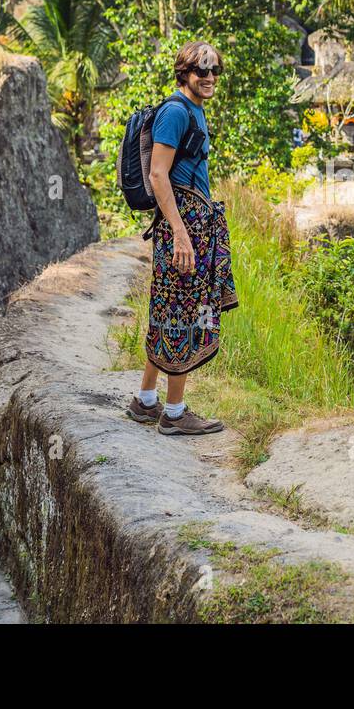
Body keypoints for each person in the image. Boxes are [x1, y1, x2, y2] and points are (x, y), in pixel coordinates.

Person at [126, 41, 236, 435]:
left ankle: (146, 400)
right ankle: (174, 413)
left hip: (192, 220)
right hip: (183, 223)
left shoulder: (192, 109)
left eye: (214, 71)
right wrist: (180, 234)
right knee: (182, 312)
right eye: (200, 70)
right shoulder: (175, 112)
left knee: (168, 306)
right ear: (184, 73)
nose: (208, 78)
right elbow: (158, 174)